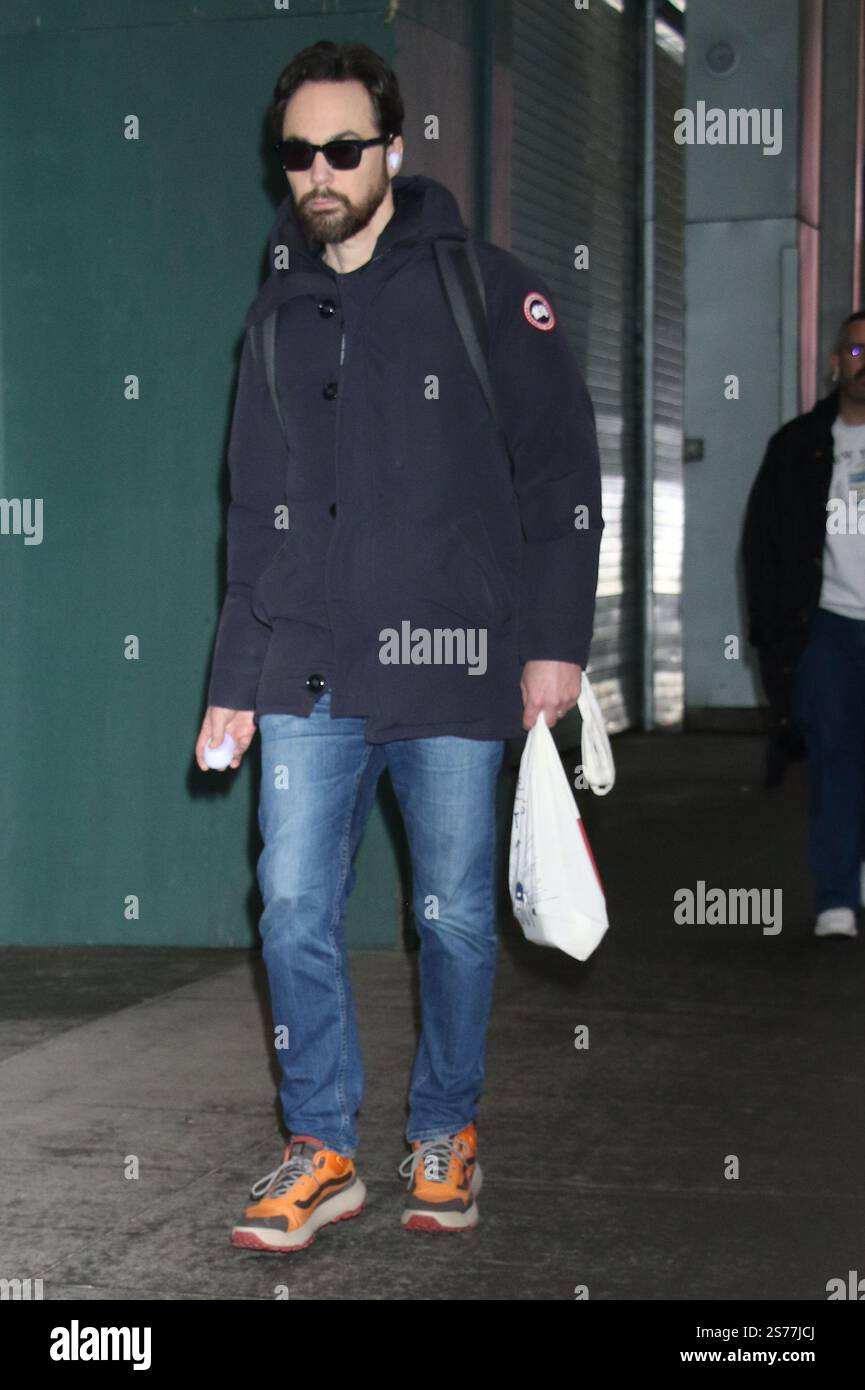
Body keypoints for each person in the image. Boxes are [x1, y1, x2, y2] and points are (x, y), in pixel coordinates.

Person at [194, 40, 603, 1251]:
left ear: (394, 151)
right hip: (309, 664)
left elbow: (560, 472)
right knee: (291, 909)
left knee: (454, 918)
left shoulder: (488, 290)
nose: (318, 172)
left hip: (454, 666)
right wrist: (232, 679)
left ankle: (445, 1128)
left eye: (343, 148)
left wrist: (555, 644)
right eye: (298, 153)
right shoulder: (274, 313)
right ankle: (321, 1145)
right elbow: (250, 511)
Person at [743, 310, 865, 940]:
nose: (864, 358)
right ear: (836, 362)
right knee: (835, 758)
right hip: (831, 630)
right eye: (855, 347)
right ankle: (838, 896)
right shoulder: (798, 446)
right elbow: (762, 547)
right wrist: (775, 637)